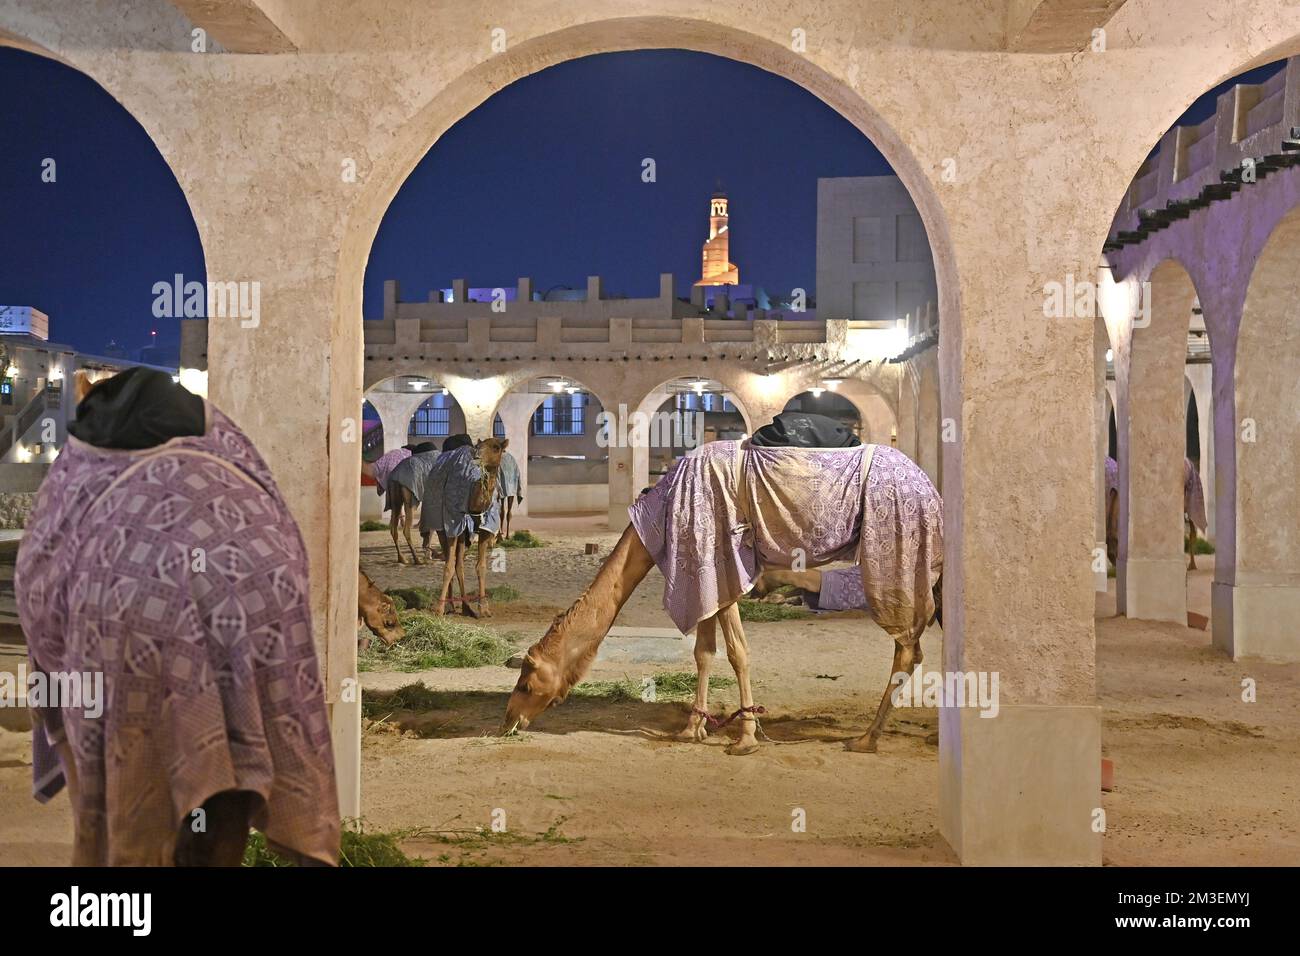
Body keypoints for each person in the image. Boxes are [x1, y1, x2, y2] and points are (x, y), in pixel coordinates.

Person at [16, 368, 340, 866]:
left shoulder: (76, 470)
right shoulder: (230, 452)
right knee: (217, 825)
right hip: (251, 593)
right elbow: (288, 544)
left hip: (121, 617)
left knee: (127, 819)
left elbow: (38, 580)